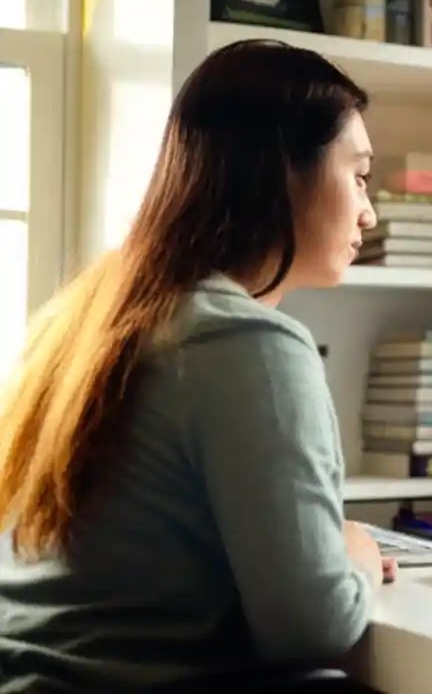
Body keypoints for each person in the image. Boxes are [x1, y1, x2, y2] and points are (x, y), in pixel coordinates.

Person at [0, 39, 393, 692]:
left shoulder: (86, 319)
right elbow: (310, 625)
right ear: (284, 171)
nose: (368, 210)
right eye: (358, 175)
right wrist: (356, 556)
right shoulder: (251, 345)